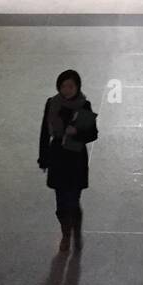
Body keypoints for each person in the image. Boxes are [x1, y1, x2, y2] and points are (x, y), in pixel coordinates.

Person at [38, 69, 98, 251]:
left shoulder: (84, 105)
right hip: (57, 157)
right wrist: (43, 157)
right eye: (63, 86)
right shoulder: (52, 103)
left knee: (73, 200)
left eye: (71, 86)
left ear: (77, 87)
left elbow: (93, 134)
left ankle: (75, 232)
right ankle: (66, 233)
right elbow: (44, 133)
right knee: (60, 204)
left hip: (76, 158)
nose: (67, 90)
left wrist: (77, 132)